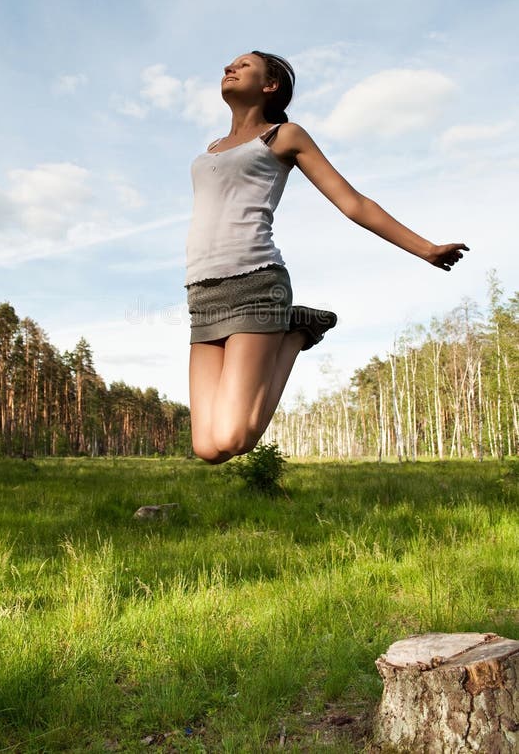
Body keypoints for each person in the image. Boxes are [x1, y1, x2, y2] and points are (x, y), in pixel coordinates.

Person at [185, 51, 468, 464]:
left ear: (270, 86)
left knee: (231, 437)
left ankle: (298, 333)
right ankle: (297, 328)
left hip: (255, 283)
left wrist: (425, 249)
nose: (230, 68)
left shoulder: (283, 136)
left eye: (244, 65)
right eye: (229, 64)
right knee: (207, 449)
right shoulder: (210, 149)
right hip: (202, 292)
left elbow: (353, 203)